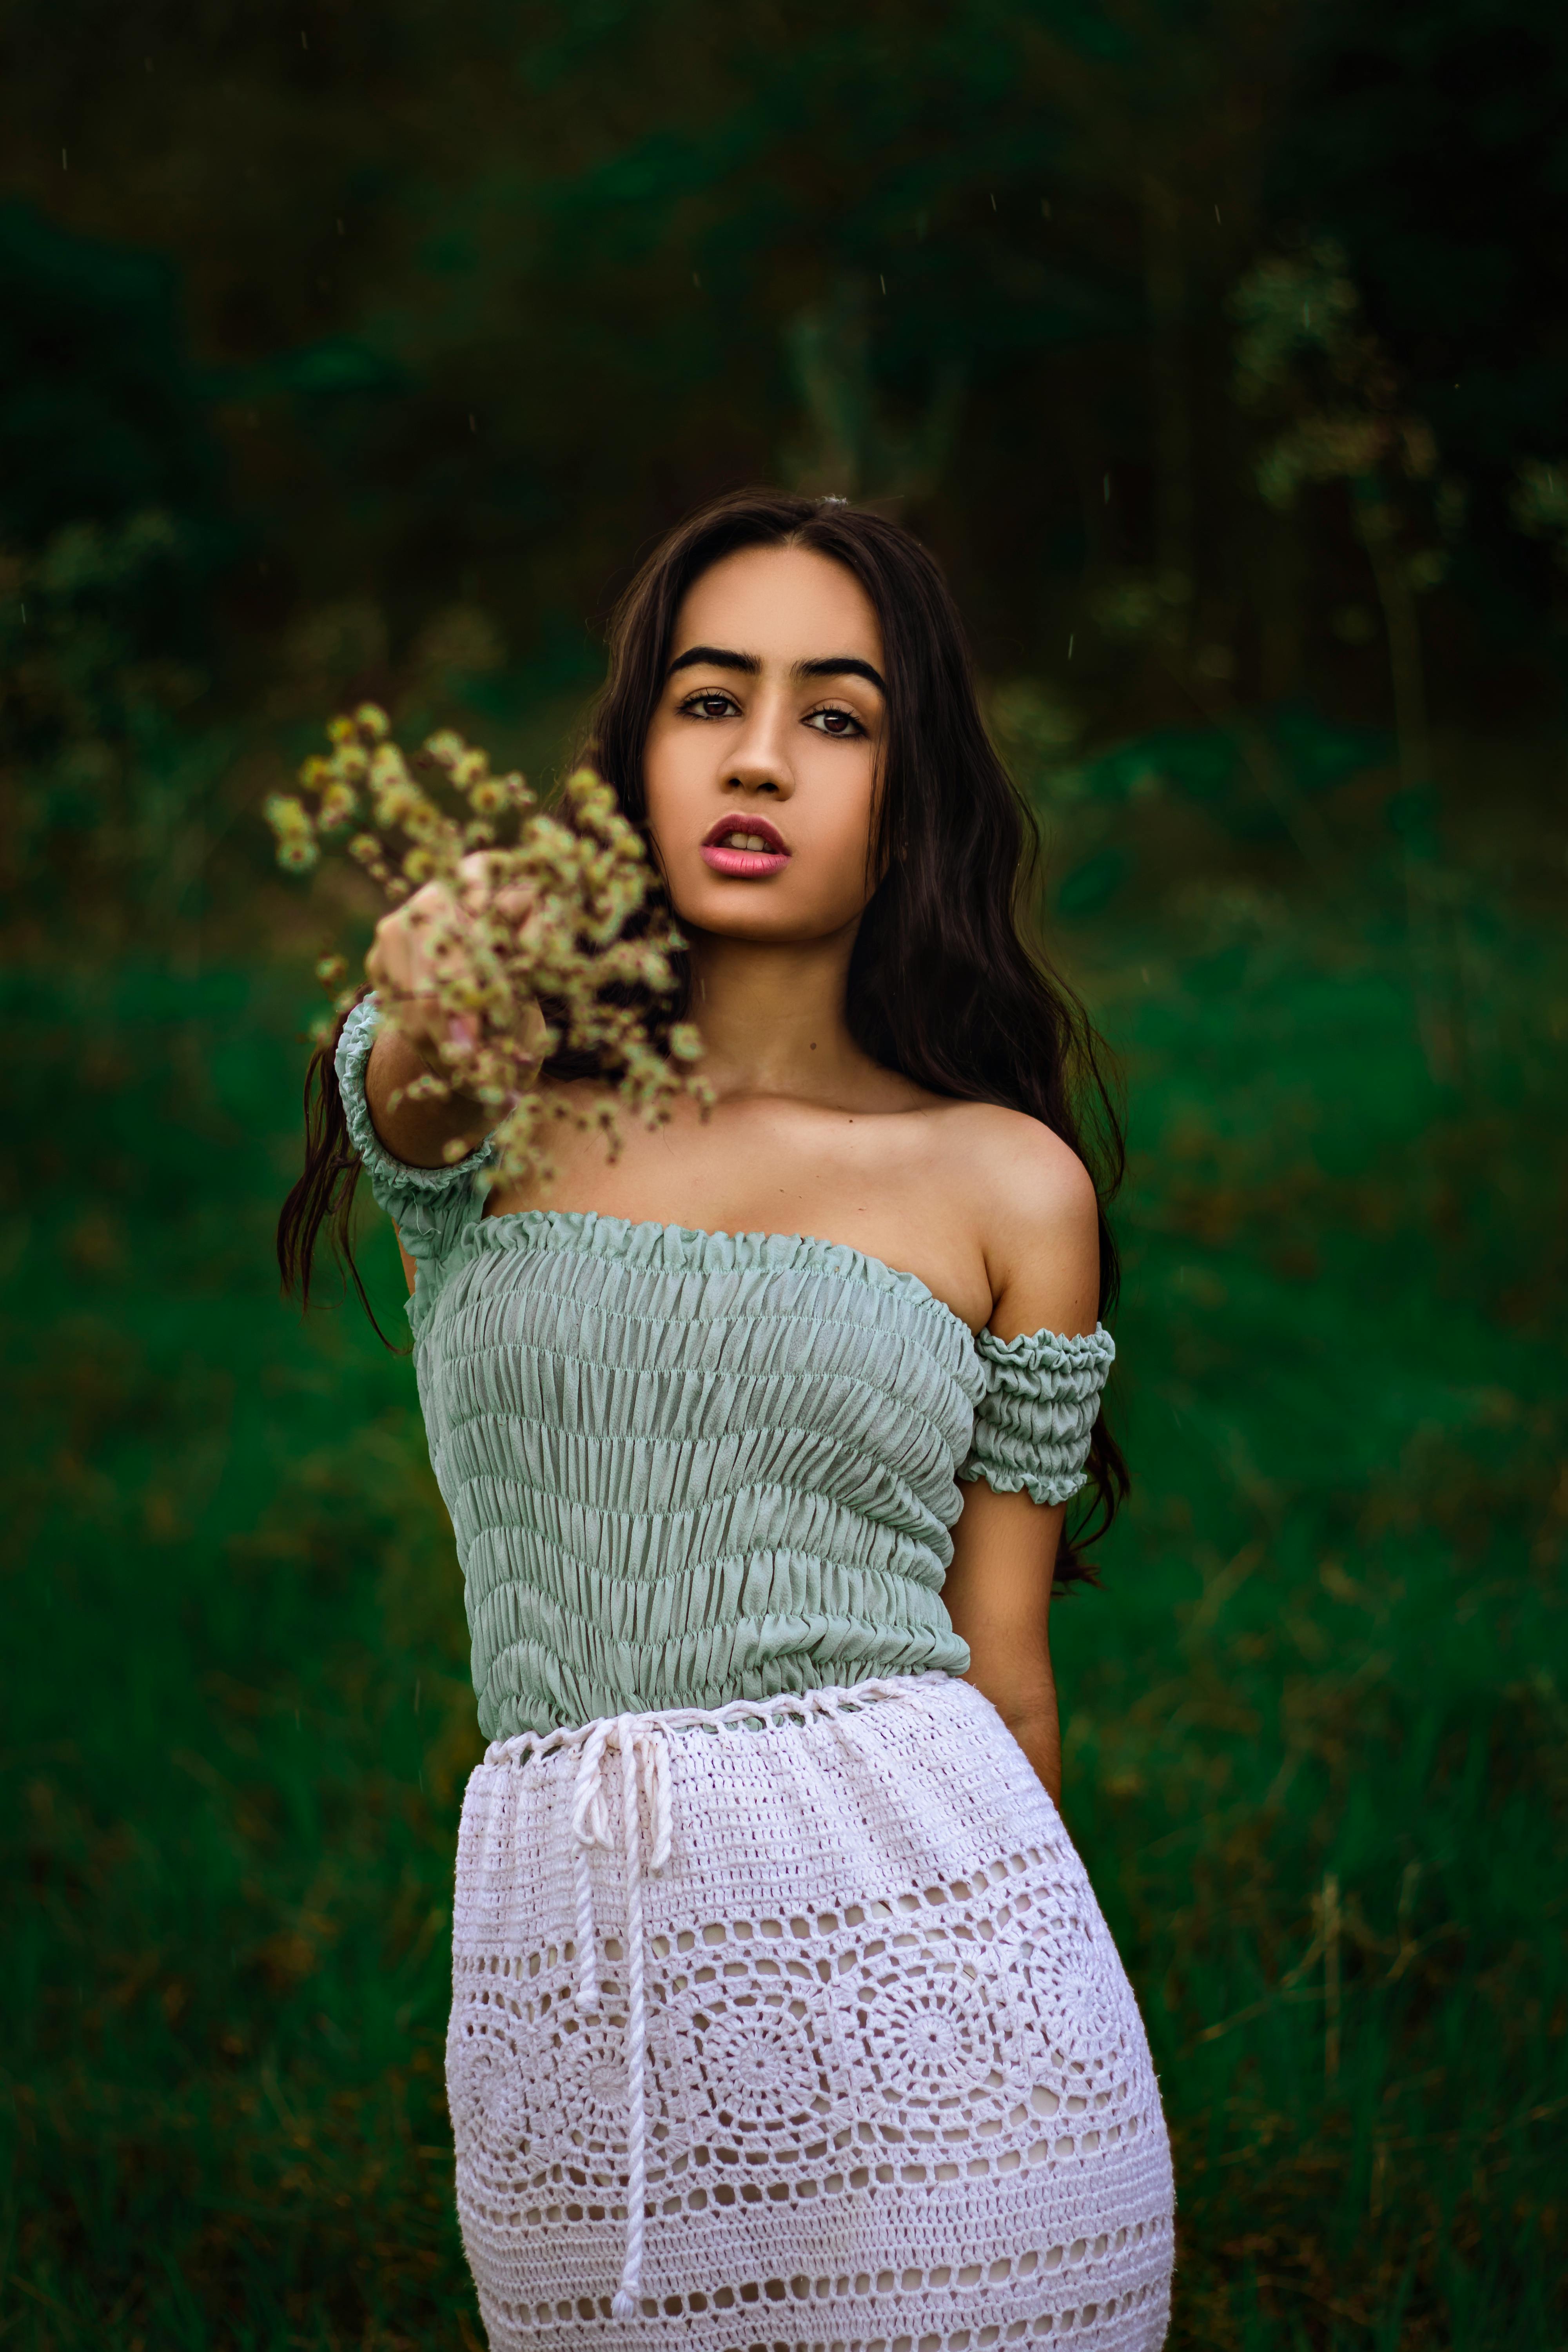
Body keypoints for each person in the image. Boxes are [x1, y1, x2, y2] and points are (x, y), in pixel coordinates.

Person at [281, 490, 1174, 2350]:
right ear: (636, 754)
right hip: (567, 2010)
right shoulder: (504, 1102)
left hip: (954, 2006)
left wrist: (1016, 1995)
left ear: (904, 790)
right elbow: (416, 1061)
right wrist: (437, 970)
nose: (761, 754)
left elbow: (1005, 1684)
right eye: (709, 699)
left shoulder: (1004, 1182)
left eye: (835, 716)